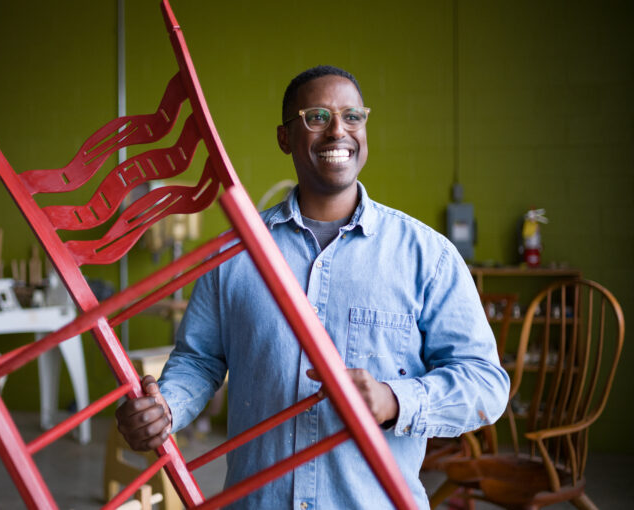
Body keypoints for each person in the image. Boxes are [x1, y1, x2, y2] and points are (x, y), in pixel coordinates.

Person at [116, 65, 509, 509]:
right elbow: (200, 359)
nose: (338, 130)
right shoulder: (233, 253)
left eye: (353, 116)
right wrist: (166, 407)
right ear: (285, 138)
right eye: (317, 117)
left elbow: (485, 384)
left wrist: (394, 400)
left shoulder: (427, 257)